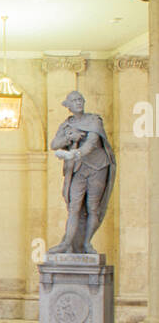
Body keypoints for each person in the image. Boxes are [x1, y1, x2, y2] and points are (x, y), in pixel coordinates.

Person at [48, 91, 116, 255]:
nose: (78, 102)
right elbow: (54, 144)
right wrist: (70, 138)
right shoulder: (67, 124)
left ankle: (86, 244)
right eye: (74, 100)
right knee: (74, 207)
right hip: (78, 169)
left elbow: (91, 144)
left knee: (93, 208)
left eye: (80, 99)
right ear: (69, 106)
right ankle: (66, 243)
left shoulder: (94, 120)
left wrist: (73, 153)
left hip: (97, 167)